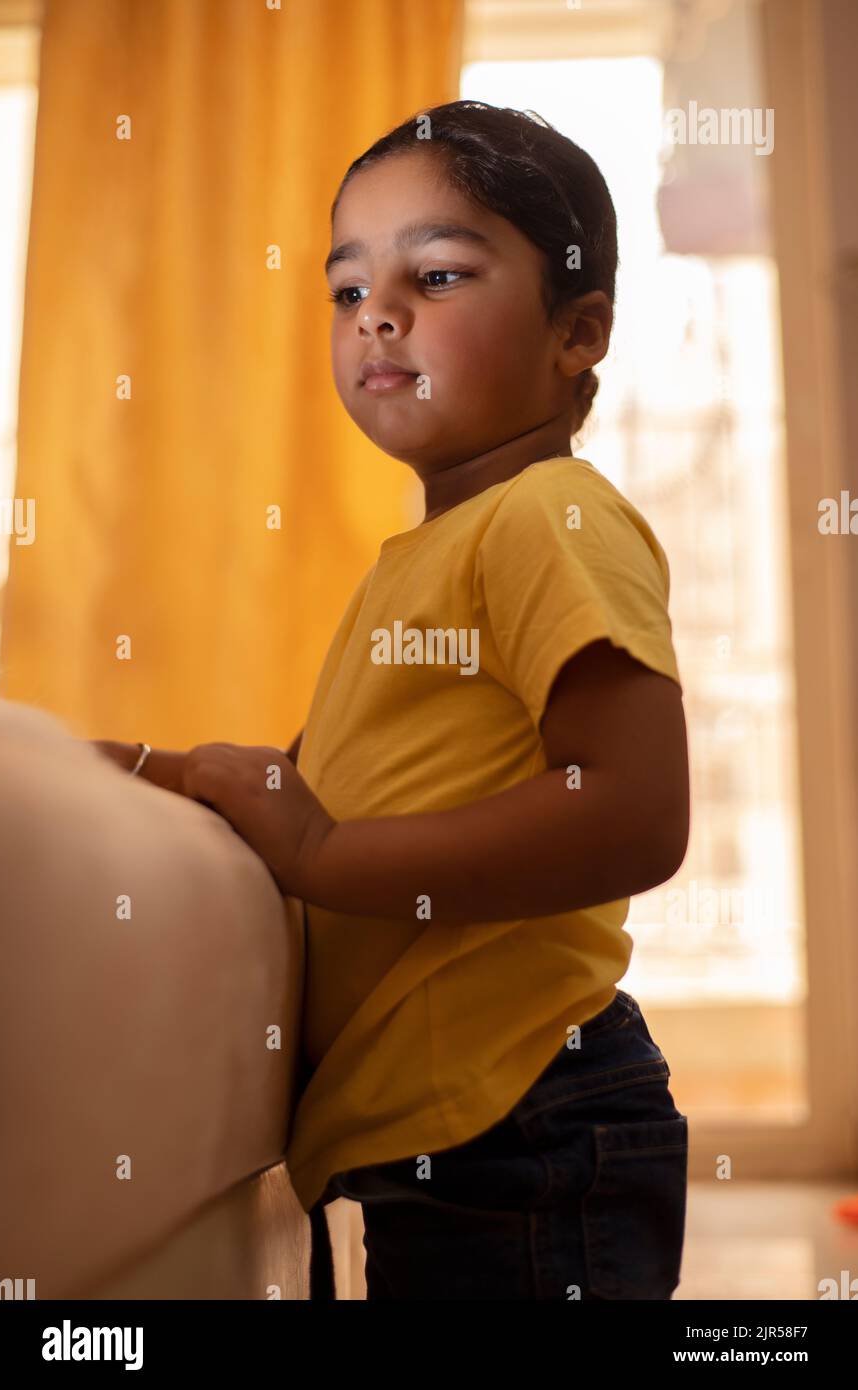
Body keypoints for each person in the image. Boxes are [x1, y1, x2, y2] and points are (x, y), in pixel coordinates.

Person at [97, 100, 690, 1300]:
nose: (378, 311)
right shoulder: (421, 559)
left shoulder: (547, 519)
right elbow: (327, 794)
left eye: (436, 273)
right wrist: (148, 771)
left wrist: (320, 850)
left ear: (577, 332)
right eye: (345, 286)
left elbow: (632, 812)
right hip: (460, 1128)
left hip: (529, 1113)